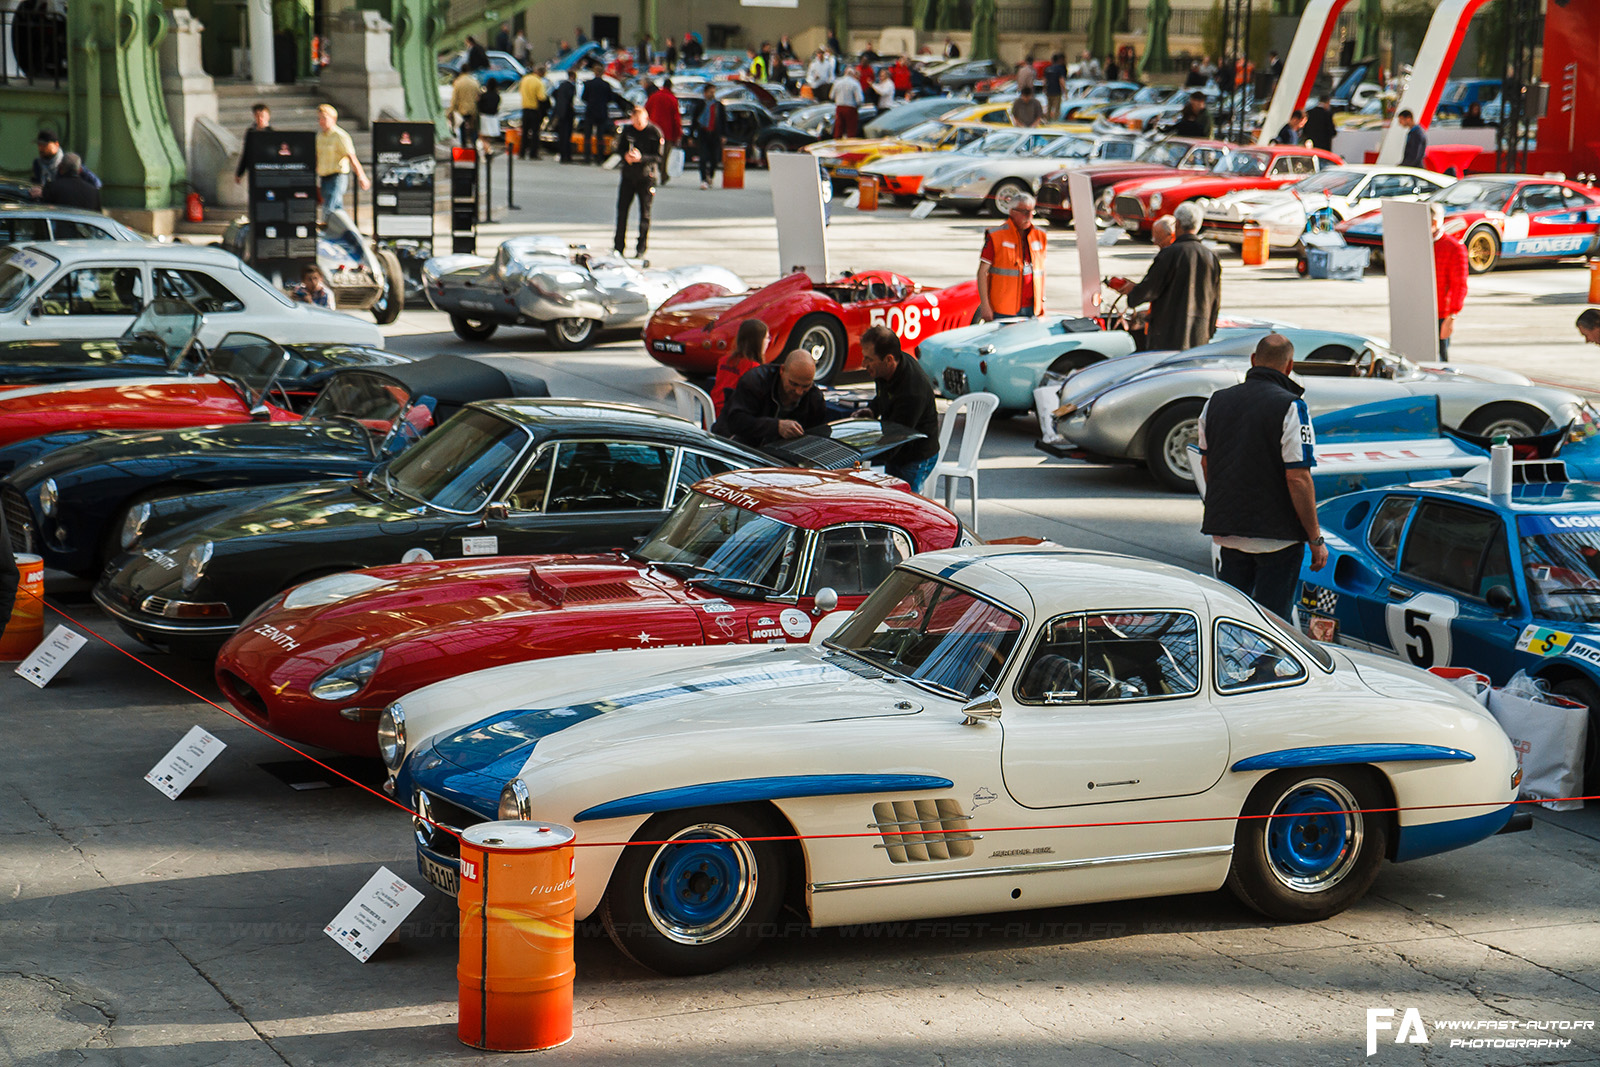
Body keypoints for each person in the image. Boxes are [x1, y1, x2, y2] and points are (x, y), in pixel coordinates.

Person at [1197, 332, 1327, 620]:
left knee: (1231, 619)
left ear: (1254, 360)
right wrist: (1315, 538)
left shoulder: (1215, 402)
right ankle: (1266, 667)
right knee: (1273, 624)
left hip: (1229, 533)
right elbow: (1298, 478)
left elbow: (1207, 464)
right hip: (1277, 539)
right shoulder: (1292, 407)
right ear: (1289, 366)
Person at [1035, 218, 1177, 457]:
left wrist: (1136, 294)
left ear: (1169, 235)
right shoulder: (1175, 255)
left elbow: (1151, 290)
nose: (1153, 241)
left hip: (1166, 331)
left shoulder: (1169, 256)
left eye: (1157, 237)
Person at [1109, 201, 1220, 350]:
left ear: (1178, 224)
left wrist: (1133, 293)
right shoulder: (1211, 257)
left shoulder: (1170, 254)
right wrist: (1209, 331)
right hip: (1198, 336)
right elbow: (1215, 300)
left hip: (1168, 336)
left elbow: (1150, 289)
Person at [860, 326, 940, 492]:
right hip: (896, 445)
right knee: (891, 497)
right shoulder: (884, 369)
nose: (863, 364)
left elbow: (894, 443)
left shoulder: (911, 392)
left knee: (905, 504)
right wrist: (872, 410)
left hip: (915, 455)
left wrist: (860, 451)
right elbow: (883, 395)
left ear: (889, 360)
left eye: (868, 359)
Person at [712, 349, 832, 447]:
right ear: (782, 370)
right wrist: (777, 426)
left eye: (806, 386)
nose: (799, 391)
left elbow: (821, 434)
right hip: (739, 446)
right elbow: (736, 422)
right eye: (793, 384)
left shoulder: (814, 396)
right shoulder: (755, 381)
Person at [977, 194, 1047, 322]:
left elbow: (1040, 272)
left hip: (1033, 309)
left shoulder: (1040, 236)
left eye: (1031, 211)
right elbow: (982, 272)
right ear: (1012, 211)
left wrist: (1042, 302)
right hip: (1004, 310)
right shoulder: (996, 236)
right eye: (1024, 211)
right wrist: (985, 306)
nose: (1028, 216)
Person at [614, 106, 662, 258]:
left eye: (639, 123)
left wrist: (642, 158)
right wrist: (625, 156)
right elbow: (618, 149)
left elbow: (659, 157)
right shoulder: (627, 131)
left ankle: (641, 249)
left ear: (646, 120)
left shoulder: (654, 132)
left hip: (646, 178)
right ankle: (618, 247)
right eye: (634, 122)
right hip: (628, 177)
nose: (637, 125)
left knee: (645, 214)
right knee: (622, 212)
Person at [315, 104, 369, 215]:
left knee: (331, 206)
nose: (321, 121)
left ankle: (328, 229)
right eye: (319, 118)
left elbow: (351, 157)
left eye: (324, 118)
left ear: (333, 119)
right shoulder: (320, 137)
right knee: (335, 207)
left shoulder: (340, 136)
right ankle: (340, 229)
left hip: (337, 176)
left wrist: (361, 176)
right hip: (324, 177)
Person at [1432, 202, 1468, 362]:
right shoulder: (1416, 244)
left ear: (1434, 223)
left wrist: (1452, 316)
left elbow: (1459, 285)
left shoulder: (1453, 247)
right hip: (1417, 310)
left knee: (1439, 359)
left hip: (1440, 314)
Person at [712, 319, 771, 414]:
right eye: (767, 338)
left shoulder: (724, 360)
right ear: (759, 341)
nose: (769, 341)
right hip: (731, 418)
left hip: (712, 412)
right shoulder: (754, 368)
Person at [690, 83, 726, 188]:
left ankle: (710, 175)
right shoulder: (700, 105)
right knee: (703, 158)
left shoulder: (718, 106)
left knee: (714, 158)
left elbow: (723, 121)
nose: (712, 94)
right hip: (703, 134)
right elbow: (694, 120)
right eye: (710, 92)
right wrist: (691, 135)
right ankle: (703, 179)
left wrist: (723, 135)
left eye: (713, 92)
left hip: (715, 135)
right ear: (705, 93)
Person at [646, 78, 681, 183]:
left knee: (652, 153)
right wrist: (678, 134)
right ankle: (663, 175)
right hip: (667, 133)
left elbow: (646, 112)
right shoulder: (672, 99)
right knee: (665, 156)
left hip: (652, 131)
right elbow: (676, 119)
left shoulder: (653, 97)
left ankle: (652, 175)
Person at [581, 64, 614, 164]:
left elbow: (584, 97)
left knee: (588, 136)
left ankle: (587, 157)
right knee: (600, 136)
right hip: (601, 111)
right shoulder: (606, 85)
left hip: (590, 111)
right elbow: (610, 98)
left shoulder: (588, 84)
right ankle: (599, 158)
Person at [234, 103, 272, 185]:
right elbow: (246, 152)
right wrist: (240, 172)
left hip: (268, 169)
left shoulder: (272, 133)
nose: (260, 119)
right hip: (254, 168)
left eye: (262, 116)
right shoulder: (250, 133)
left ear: (268, 117)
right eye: (257, 116)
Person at [518, 66, 549, 159]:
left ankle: (522, 152)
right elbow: (541, 97)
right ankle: (533, 153)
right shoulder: (539, 82)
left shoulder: (524, 79)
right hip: (534, 109)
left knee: (524, 132)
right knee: (535, 133)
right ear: (541, 73)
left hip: (525, 109)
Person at [449, 67, 482, 148]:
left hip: (461, 109)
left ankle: (464, 146)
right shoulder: (474, 82)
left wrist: (452, 109)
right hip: (473, 109)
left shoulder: (458, 82)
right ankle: (474, 145)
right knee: (473, 128)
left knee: (462, 127)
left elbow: (454, 98)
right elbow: (479, 95)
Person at [830, 67, 863, 138]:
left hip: (839, 107)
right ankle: (850, 143)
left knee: (838, 128)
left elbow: (831, 96)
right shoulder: (855, 83)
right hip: (851, 108)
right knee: (851, 129)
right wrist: (858, 105)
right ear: (853, 74)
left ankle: (837, 143)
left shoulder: (837, 82)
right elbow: (859, 99)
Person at [551, 76, 577, 163]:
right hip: (567, 113)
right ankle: (567, 156)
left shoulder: (561, 85)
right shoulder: (571, 87)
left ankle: (562, 155)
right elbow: (570, 98)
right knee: (567, 135)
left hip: (560, 113)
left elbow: (553, 93)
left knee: (561, 135)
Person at [476, 81, 502, 147]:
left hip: (484, 117)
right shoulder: (497, 96)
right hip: (493, 118)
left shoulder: (484, 96)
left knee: (483, 135)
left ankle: (487, 149)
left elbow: (478, 106)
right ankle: (488, 147)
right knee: (490, 135)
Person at [1044, 53, 1067, 120]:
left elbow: (1045, 80)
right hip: (1057, 91)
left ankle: (1047, 120)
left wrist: (1044, 89)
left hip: (1049, 91)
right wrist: (1065, 91)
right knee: (1056, 108)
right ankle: (1055, 121)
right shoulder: (1059, 69)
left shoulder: (1048, 69)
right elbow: (1061, 80)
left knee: (1049, 107)